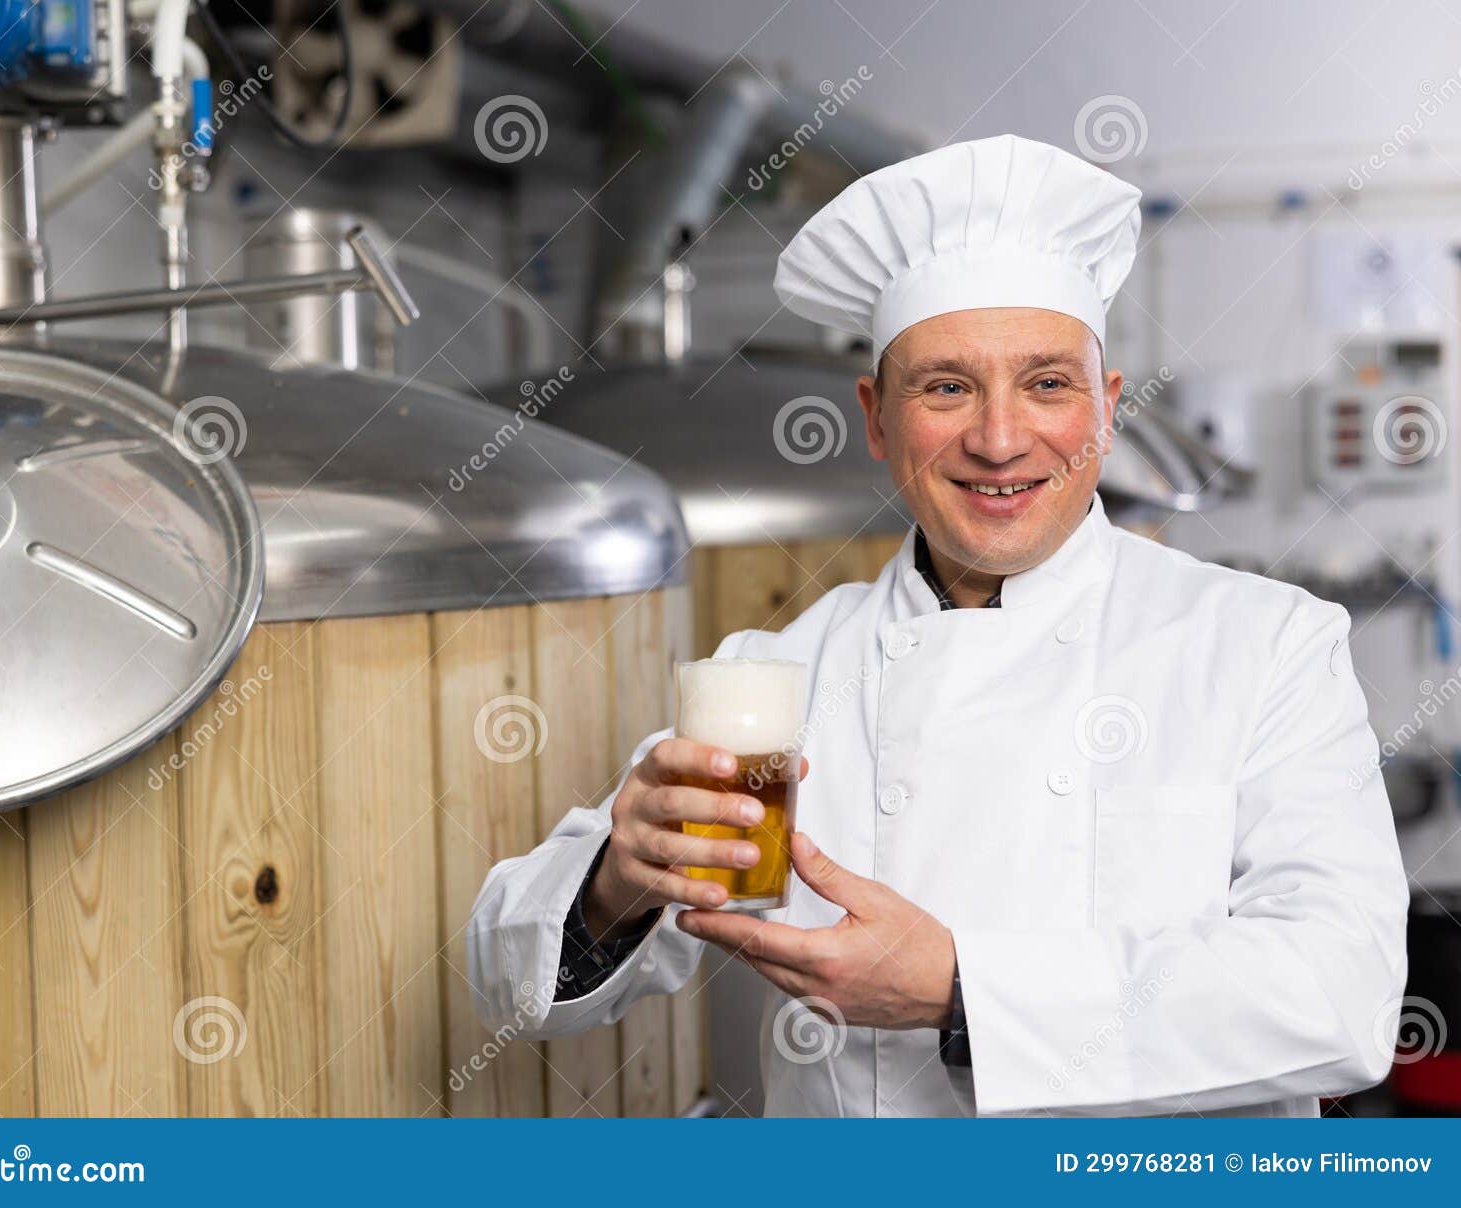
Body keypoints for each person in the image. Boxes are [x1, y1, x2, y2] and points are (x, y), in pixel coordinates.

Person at [466, 133, 1409, 1117]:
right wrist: (617, 881)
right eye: (946, 386)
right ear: (875, 419)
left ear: (1105, 409)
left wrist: (961, 988)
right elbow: (504, 967)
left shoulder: (1265, 646)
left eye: (1046, 383)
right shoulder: (778, 675)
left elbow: (1340, 990)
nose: (998, 438)